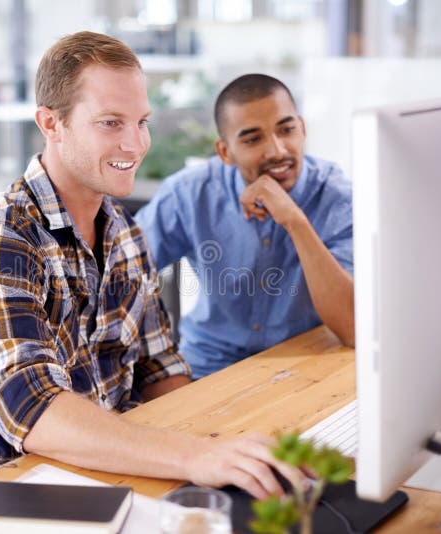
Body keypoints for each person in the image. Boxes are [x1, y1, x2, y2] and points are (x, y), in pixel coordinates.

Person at [0, 33, 304, 499]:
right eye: (111, 123)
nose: (135, 144)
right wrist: (193, 457)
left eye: (142, 122)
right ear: (51, 124)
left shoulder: (124, 230)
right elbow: (34, 412)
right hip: (22, 492)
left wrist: (218, 442)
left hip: (121, 469)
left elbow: (157, 368)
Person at [135, 74, 354, 379]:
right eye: (253, 139)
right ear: (225, 151)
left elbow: (353, 327)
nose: (277, 150)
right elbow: (121, 277)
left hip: (303, 367)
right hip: (205, 367)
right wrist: (158, 367)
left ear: (302, 129)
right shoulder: (188, 194)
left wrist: (295, 221)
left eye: (286, 130)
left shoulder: (338, 198)